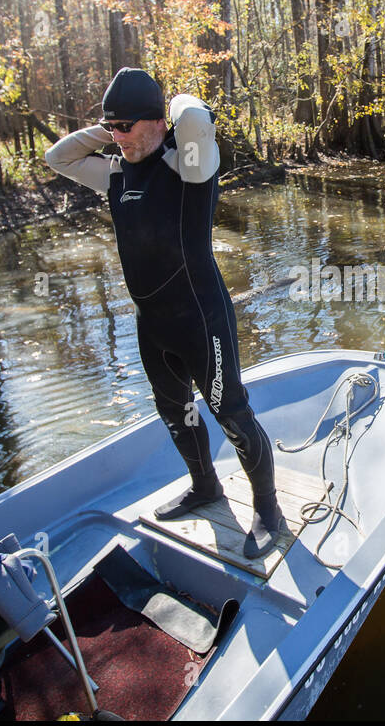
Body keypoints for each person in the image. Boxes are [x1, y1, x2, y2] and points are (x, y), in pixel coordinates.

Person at [45, 68, 284, 558]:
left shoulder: (189, 165)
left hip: (202, 320)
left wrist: (163, 113)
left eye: (126, 126)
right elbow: (57, 157)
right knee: (175, 412)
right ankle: (205, 487)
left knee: (232, 415)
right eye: (110, 128)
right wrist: (115, 128)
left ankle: (269, 510)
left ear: (157, 122)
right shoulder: (115, 171)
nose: (116, 137)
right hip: (151, 324)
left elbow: (194, 115)